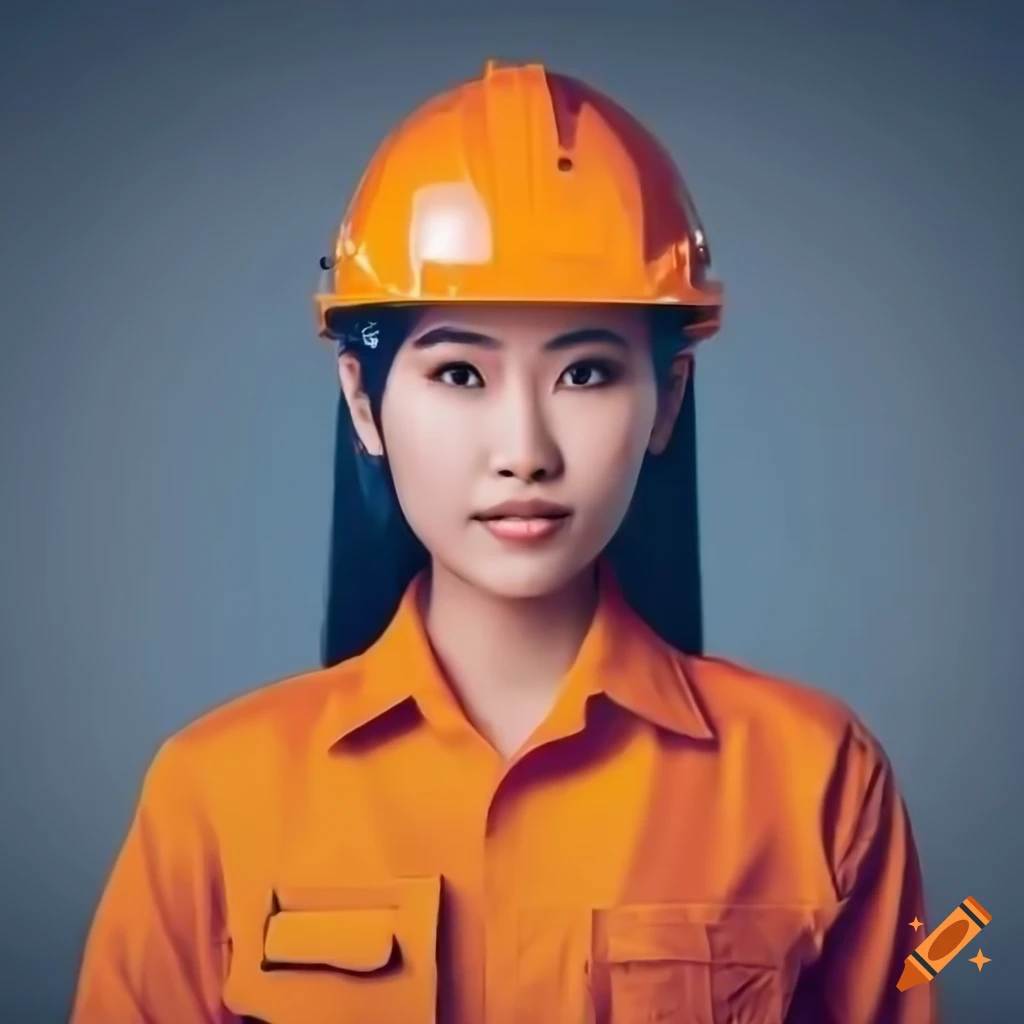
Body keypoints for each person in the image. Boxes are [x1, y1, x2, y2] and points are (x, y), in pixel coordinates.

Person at [71, 60, 938, 1024]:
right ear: (364, 401)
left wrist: (977, 941)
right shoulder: (213, 795)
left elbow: (944, 962)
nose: (523, 451)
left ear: (669, 401)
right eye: (458, 375)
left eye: (586, 374)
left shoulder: (820, 776)